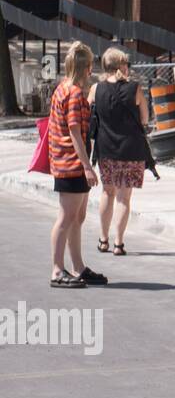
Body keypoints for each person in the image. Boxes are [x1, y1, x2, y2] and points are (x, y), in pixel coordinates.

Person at [48, 42, 104, 288]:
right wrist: (87, 167)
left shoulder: (62, 88)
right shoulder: (74, 93)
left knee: (77, 216)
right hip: (70, 163)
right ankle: (57, 270)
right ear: (87, 67)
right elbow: (75, 132)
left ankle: (77, 266)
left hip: (66, 161)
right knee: (67, 216)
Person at [89, 47, 150, 256]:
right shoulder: (135, 88)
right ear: (121, 66)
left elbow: (88, 118)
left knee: (107, 192)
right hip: (132, 149)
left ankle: (103, 239)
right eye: (126, 64)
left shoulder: (95, 89)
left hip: (106, 148)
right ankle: (119, 243)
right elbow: (145, 119)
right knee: (124, 197)